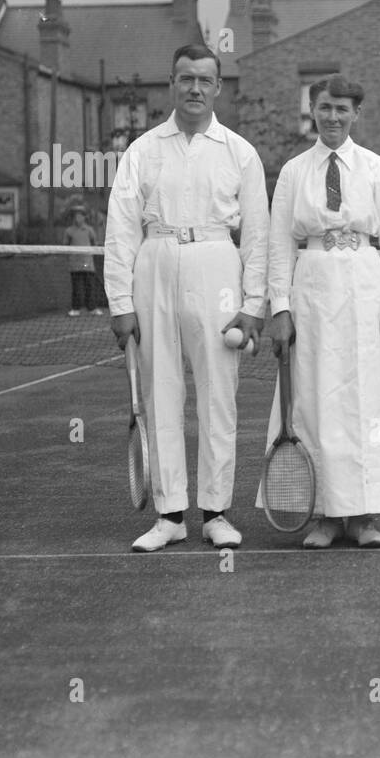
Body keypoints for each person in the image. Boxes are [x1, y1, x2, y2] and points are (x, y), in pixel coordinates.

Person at [104, 43, 269, 552]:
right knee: (161, 395)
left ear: (218, 87)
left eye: (204, 80)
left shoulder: (240, 152)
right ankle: (170, 516)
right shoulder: (141, 150)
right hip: (153, 266)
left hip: (218, 267)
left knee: (218, 398)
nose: (194, 88)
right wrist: (120, 303)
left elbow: (258, 235)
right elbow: (120, 229)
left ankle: (216, 513)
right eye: (185, 79)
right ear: (171, 84)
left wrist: (253, 304)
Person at [264, 76, 380, 549]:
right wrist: (280, 308)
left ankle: (363, 517)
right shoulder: (294, 172)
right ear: (312, 110)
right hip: (312, 291)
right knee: (316, 397)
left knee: (367, 400)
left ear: (356, 114)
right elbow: (278, 244)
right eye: (325, 107)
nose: (332, 117)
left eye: (342, 109)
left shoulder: (376, 168)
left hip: (365, 288)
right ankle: (326, 516)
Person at [64, 205, 102, 316]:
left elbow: (94, 244)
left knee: (90, 287)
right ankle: (75, 309)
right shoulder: (69, 231)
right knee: (76, 288)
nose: (78, 218)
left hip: (88, 264)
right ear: (73, 217)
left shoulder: (89, 230)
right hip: (75, 265)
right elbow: (65, 246)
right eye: (76, 216)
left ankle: (92, 308)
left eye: (80, 216)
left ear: (84, 217)